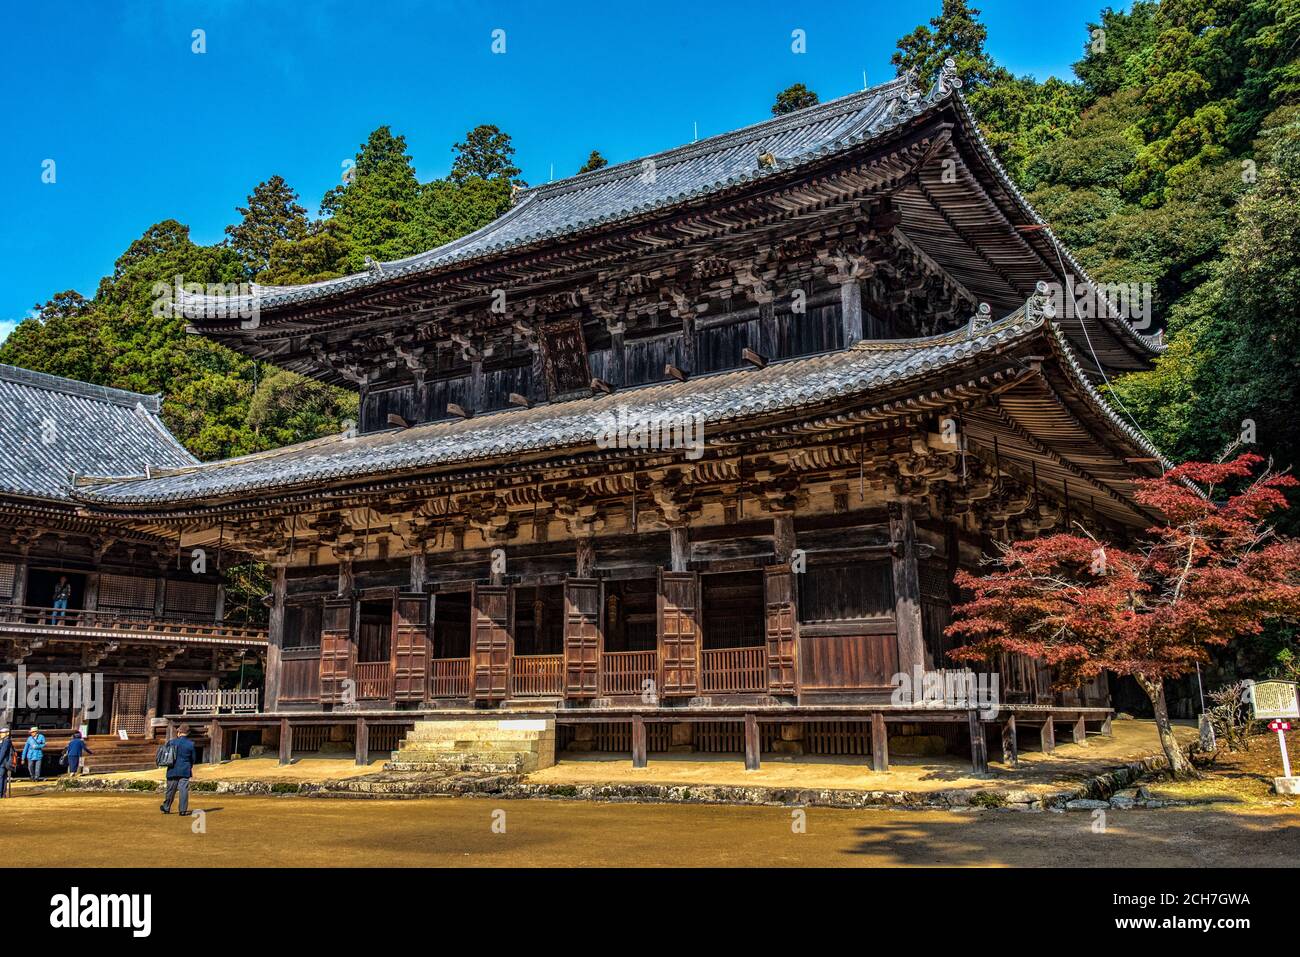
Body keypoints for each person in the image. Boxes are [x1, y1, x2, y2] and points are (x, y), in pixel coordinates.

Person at [159, 724, 197, 817]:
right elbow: (193, 758)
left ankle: (166, 807)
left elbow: (166, 755)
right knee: (183, 790)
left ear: (179, 732)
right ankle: (183, 810)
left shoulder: (172, 742)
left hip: (172, 769)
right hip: (185, 769)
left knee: (170, 790)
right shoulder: (191, 744)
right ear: (188, 733)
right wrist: (189, 766)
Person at [0, 729, 11, 797]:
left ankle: (1, 793)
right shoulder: (5, 741)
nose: (1, 734)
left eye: (2, 733)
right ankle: (3, 794)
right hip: (4, 762)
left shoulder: (6, 741)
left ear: (7, 733)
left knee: (1, 777)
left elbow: (2, 753)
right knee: (3, 778)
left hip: (2, 762)